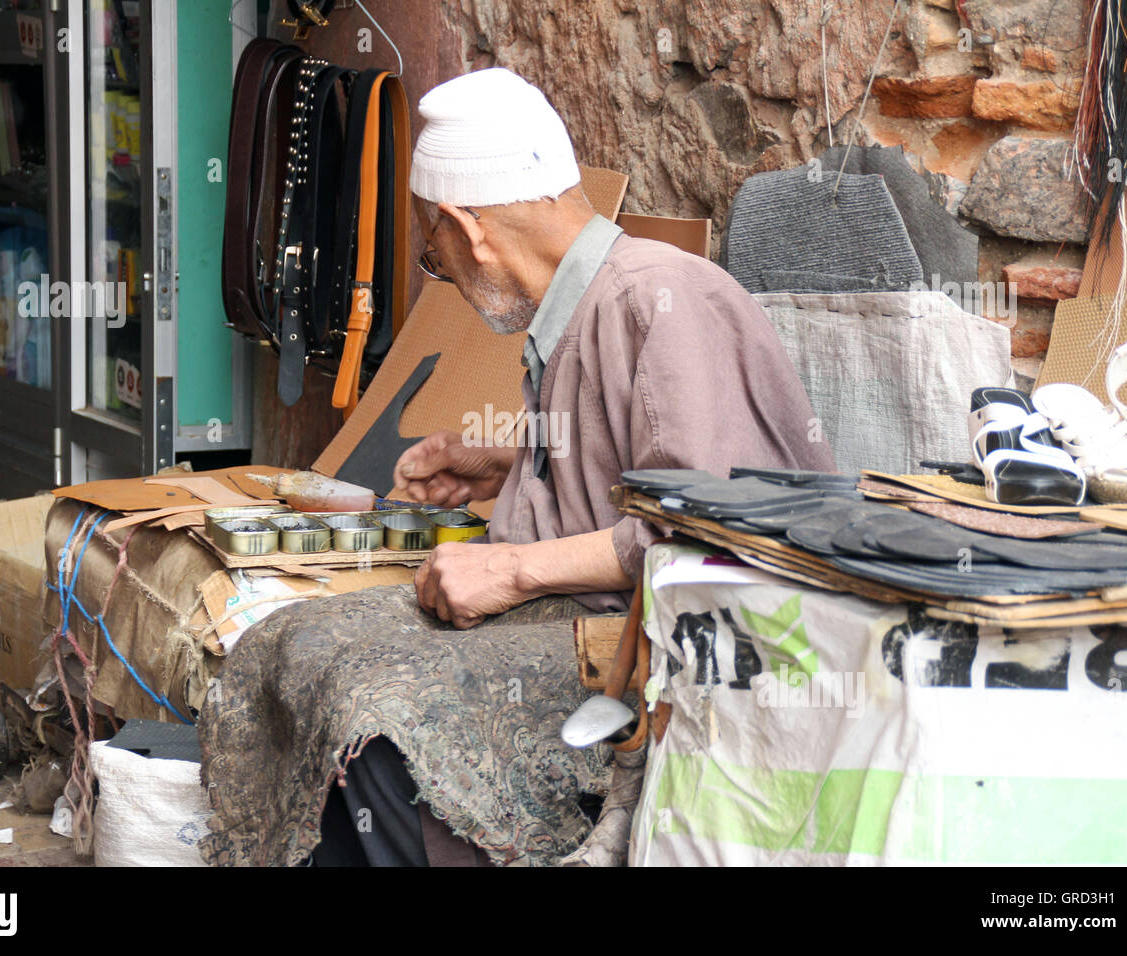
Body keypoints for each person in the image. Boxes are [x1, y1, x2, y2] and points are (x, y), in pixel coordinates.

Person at [199, 67, 833, 868]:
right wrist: (507, 469)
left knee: (377, 714)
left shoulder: (661, 297)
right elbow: (634, 470)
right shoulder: (580, 305)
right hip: (590, 617)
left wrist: (515, 568)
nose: (447, 278)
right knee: (289, 643)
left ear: (467, 231)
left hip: (662, 650)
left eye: (434, 257)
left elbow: (704, 533)